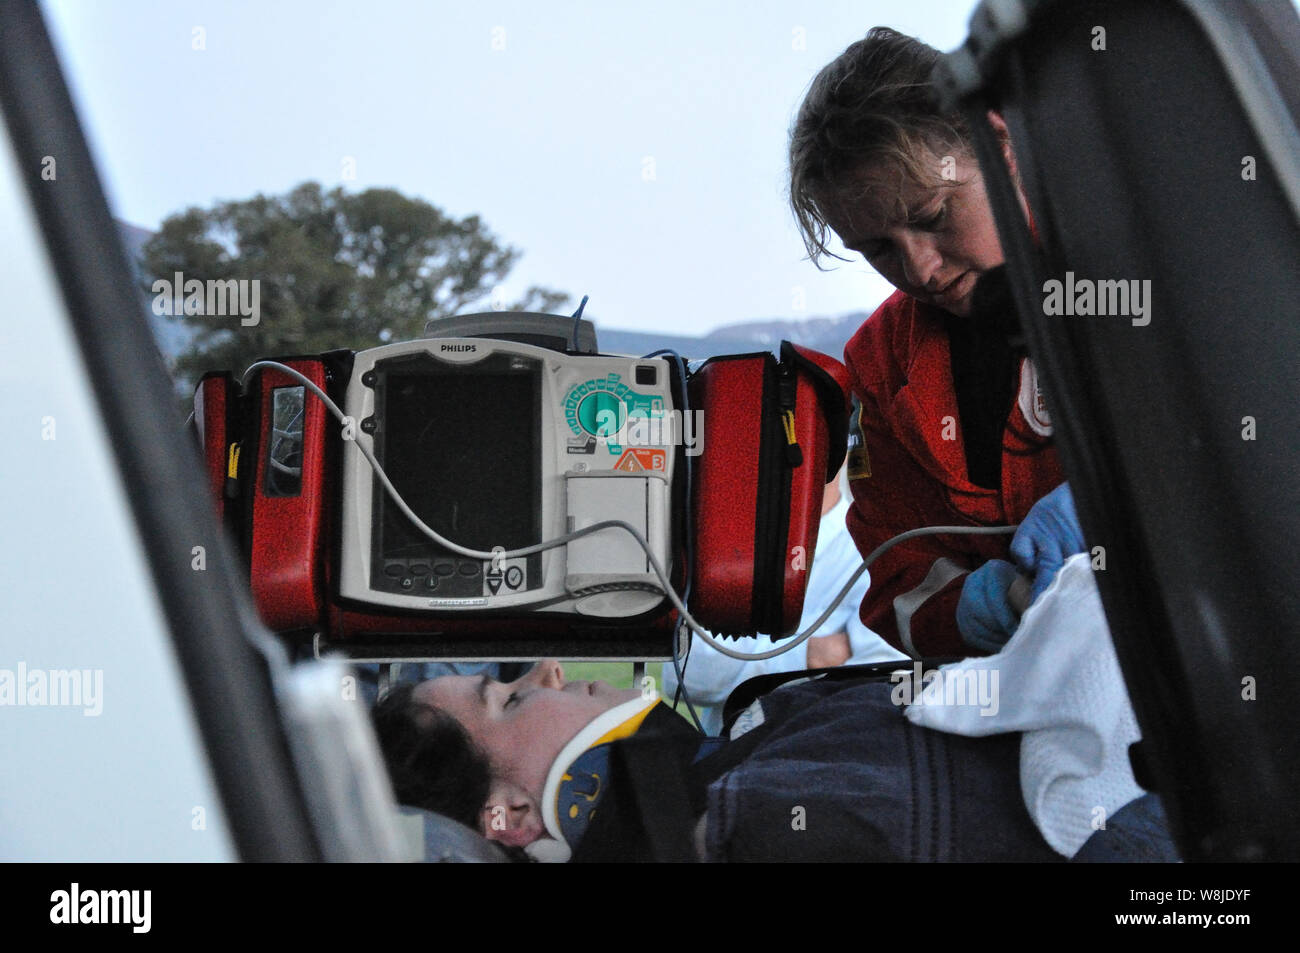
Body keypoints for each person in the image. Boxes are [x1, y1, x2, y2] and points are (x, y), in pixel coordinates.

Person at [787, 27, 1085, 658]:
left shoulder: (1141, 277)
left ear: (997, 143)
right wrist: (982, 607)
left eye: (932, 216)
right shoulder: (881, 365)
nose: (920, 269)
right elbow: (901, 582)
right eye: (877, 249)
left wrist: (1130, 515)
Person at [373, 657, 1080, 862]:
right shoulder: (759, 819)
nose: (549, 670)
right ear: (516, 814)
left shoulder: (744, 768)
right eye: (510, 698)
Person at [662, 466, 906, 735]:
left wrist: (747, 660)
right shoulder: (721, 544)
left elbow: (877, 689)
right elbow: (683, 675)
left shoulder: (878, 554)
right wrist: (805, 654)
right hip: (730, 760)